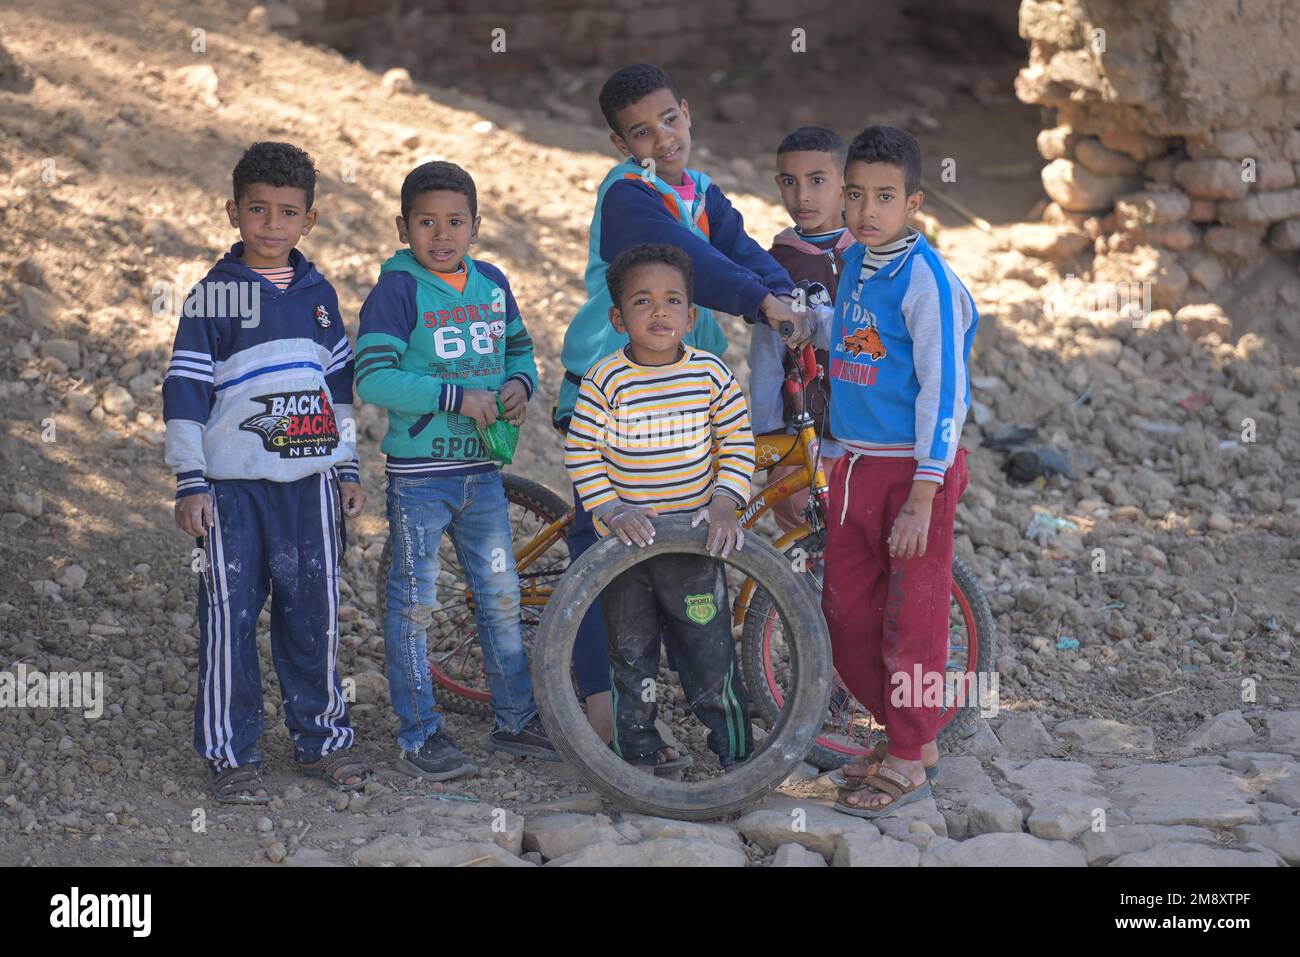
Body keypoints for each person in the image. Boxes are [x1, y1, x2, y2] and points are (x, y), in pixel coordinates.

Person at [556, 63, 808, 742]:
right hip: (610, 387)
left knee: (676, 525)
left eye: (670, 119)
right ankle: (597, 703)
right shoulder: (628, 196)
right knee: (602, 549)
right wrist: (760, 302)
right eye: (641, 132)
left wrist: (794, 297)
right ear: (620, 145)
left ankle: (686, 679)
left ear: (688, 113)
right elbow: (697, 259)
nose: (662, 138)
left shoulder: (698, 189)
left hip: (680, 388)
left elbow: (740, 248)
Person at [163, 141, 372, 804]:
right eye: (258, 209)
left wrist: (346, 464)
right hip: (233, 491)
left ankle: (321, 739)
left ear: (309, 219)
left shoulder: (318, 295)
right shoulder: (214, 296)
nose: (271, 224)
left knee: (315, 614)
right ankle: (232, 752)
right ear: (233, 211)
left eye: (287, 212)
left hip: (309, 488)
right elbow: (185, 391)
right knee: (230, 616)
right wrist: (190, 478)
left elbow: (336, 387)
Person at [355, 160, 557, 781]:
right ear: (402, 227)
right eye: (426, 222)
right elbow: (372, 376)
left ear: (475, 225)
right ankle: (420, 736)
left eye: (455, 222)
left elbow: (521, 349)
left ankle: (516, 721)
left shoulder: (492, 284)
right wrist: (453, 397)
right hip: (420, 479)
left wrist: (521, 382)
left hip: (482, 477)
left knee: (500, 597)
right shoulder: (399, 290)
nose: (441, 235)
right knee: (414, 604)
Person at [820, 127, 979, 818]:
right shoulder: (853, 260)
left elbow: (944, 390)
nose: (865, 210)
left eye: (885, 197)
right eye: (855, 194)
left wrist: (924, 494)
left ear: (913, 202)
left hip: (913, 477)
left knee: (911, 619)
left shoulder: (928, 280)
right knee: (844, 612)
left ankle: (909, 755)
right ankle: (911, 732)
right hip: (851, 469)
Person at [564, 243, 756, 773]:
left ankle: (737, 756)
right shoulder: (606, 380)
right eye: (642, 301)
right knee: (630, 656)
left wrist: (724, 504)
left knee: (711, 654)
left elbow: (738, 444)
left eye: (673, 301)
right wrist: (612, 509)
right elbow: (581, 452)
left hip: (694, 545)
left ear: (691, 316)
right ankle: (638, 759)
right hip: (626, 549)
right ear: (617, 316)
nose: (659, 312)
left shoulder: (711, 376)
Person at [750, 125, 853, 531]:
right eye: (790, 182)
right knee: (806, 542)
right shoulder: (777, 265)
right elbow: (766, 359)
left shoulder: (872, 253)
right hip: (803, 433)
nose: (802, 196)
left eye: (817, 180)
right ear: (777, 184)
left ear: (846, 184)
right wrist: (768, 436)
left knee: (859, 546)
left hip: (870, 435)